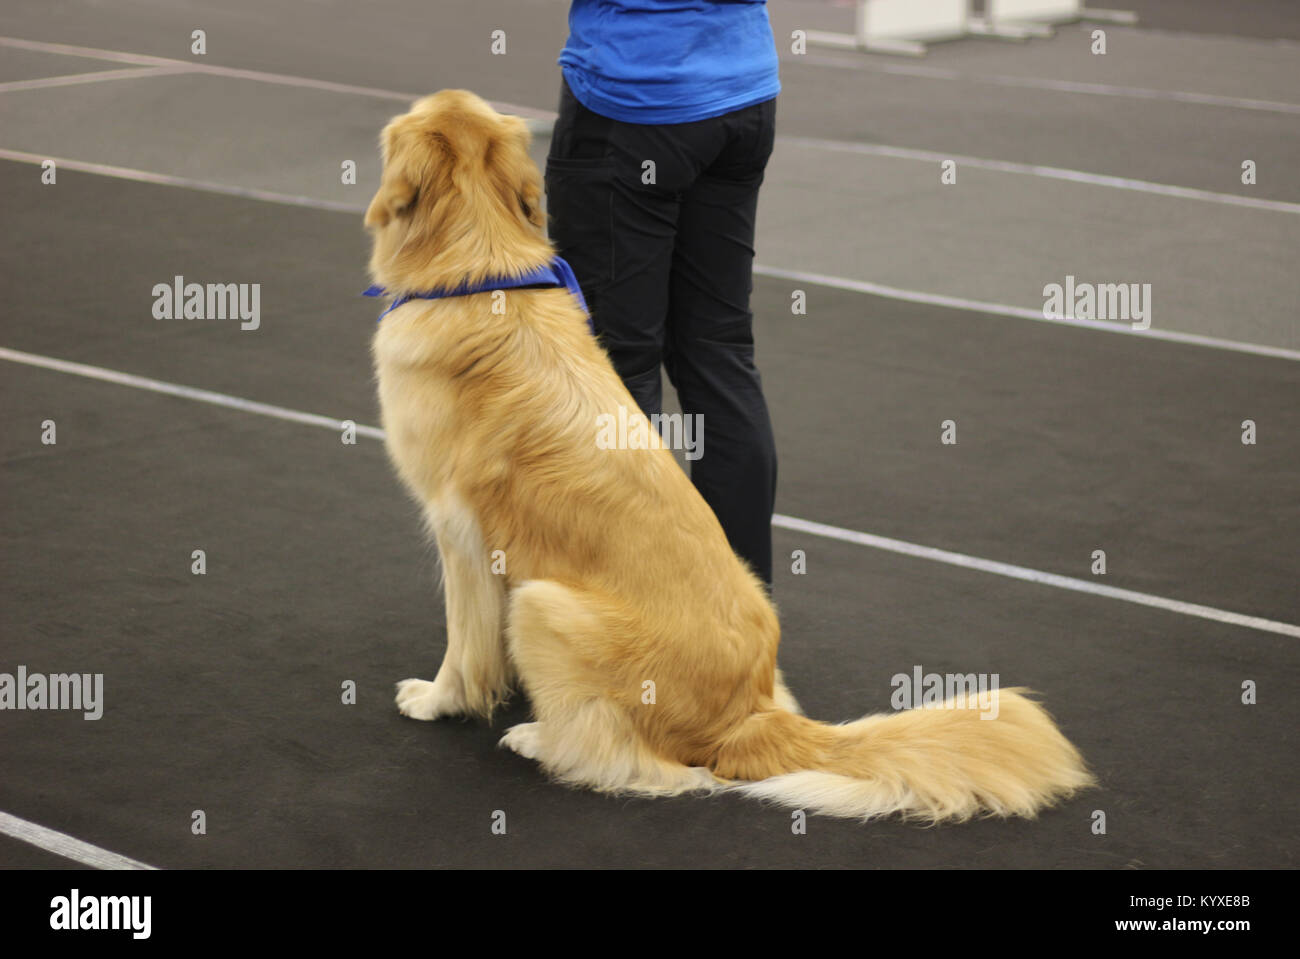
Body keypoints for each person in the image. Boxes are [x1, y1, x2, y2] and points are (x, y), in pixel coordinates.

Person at [545, 0, 781, 589]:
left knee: (614, 369)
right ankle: (736, 617)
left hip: (634, 101)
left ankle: (628, 614)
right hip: (742, 92)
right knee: (719, 351)